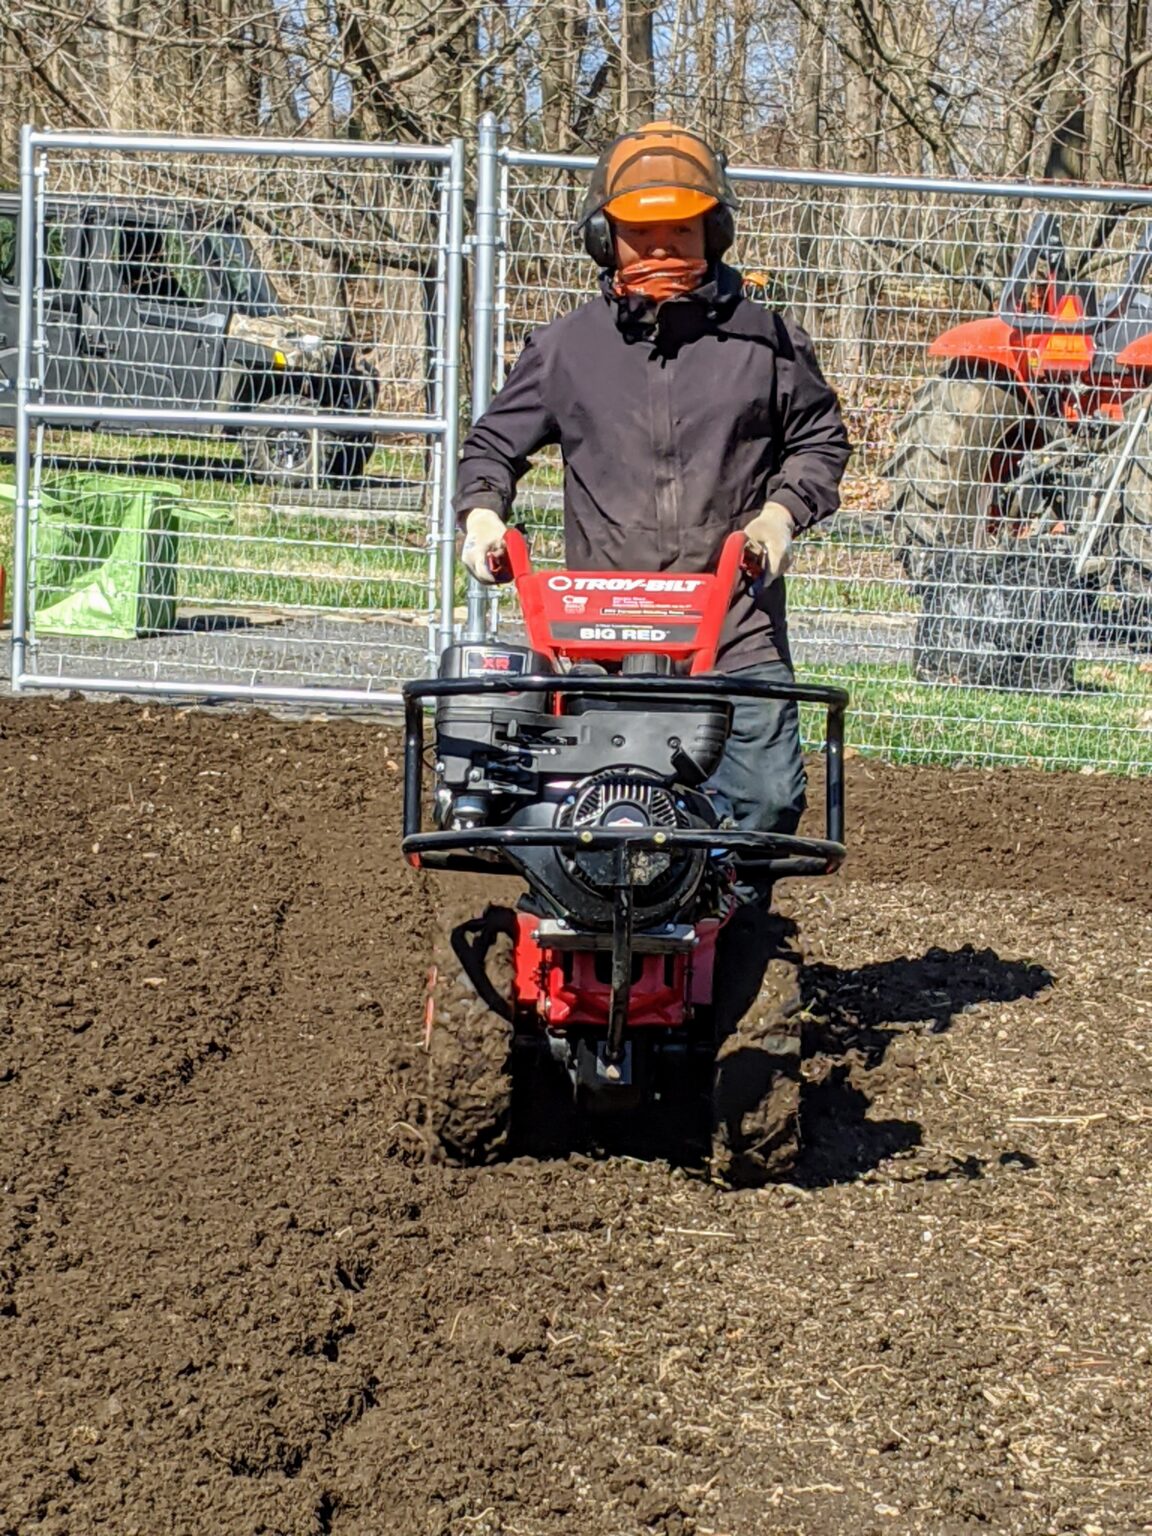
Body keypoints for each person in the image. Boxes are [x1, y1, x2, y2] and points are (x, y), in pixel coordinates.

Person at [453, 122, 852, 909]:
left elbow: (819, 442)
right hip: (602, 635)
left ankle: (728, 936)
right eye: (642, 233)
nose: (663, 248)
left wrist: (779, 516)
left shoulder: (766, 343)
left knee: (767, 805)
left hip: (732, 627)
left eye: (682, 229)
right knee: (581, 826)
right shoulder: (568, 349)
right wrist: (482, 519)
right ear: (606, 239)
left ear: (716, 230)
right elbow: (492, 447)